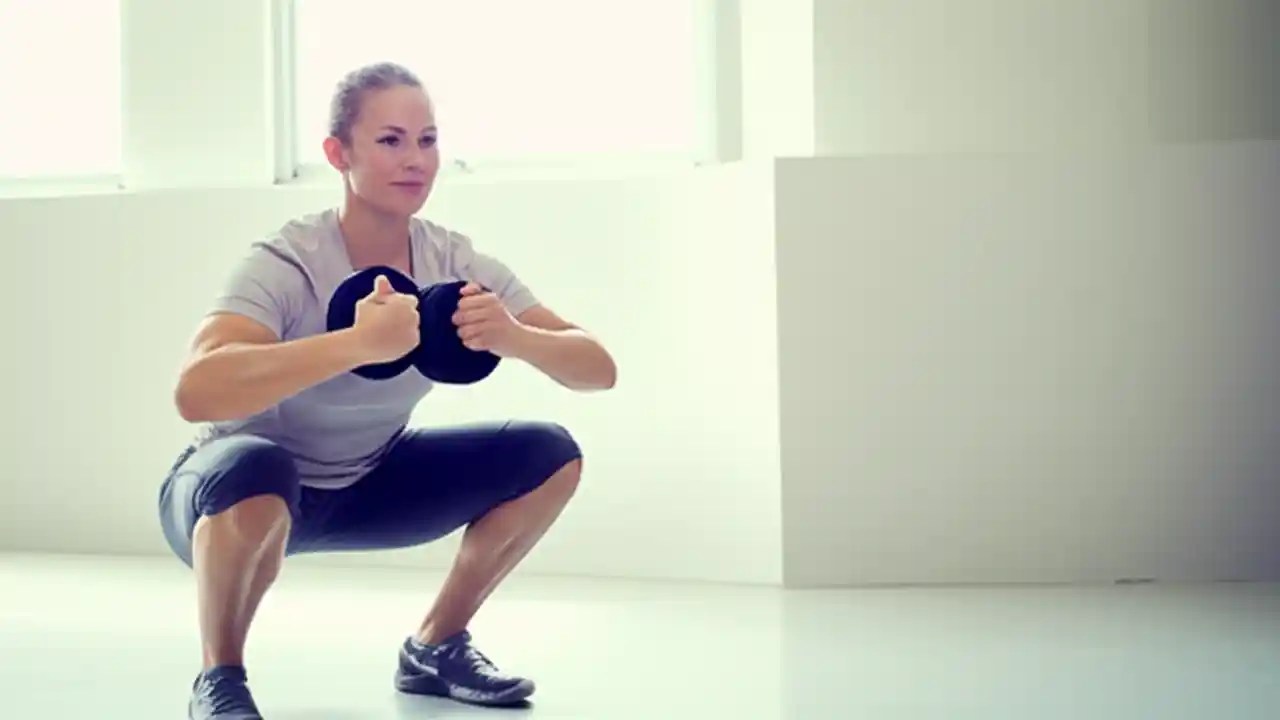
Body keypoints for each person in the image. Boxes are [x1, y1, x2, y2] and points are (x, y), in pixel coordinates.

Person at [158, 61, 617, 719]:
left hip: (367, 486)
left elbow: (597, 369)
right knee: (257, 463)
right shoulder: (288, 260)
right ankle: (219, 680)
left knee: (550, 454)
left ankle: (435, 647)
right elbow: (196, 391)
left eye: (427, 140)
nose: (415, 160)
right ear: (337, 153)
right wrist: (354, 345)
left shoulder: (452, 261)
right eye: (391, 140)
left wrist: (515, 336)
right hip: (233, 498)